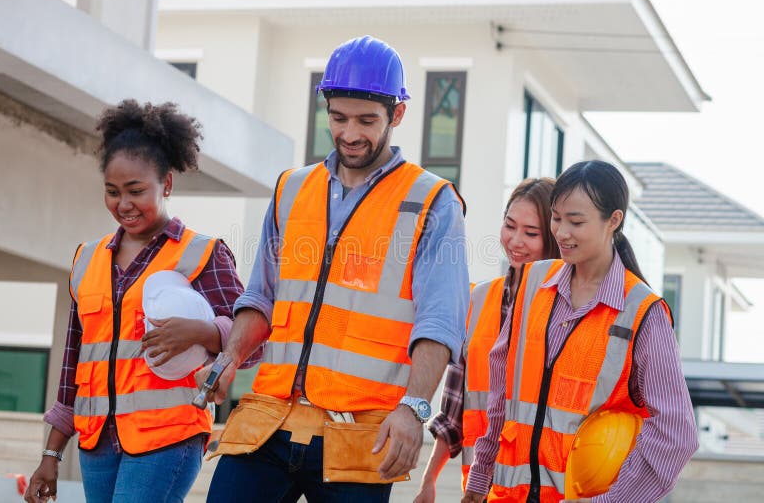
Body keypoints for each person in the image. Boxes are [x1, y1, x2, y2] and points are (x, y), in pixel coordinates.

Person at [202, 35, 469, 502]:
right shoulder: (292, 188)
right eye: (339, 118)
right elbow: (261, 297)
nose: (349, 133)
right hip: (269, 420)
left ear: (397, 115)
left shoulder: (431, 202)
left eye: (366, 121)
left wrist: (414, 409)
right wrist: (230, 358)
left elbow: (440, 322)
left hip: (360, 434)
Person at [25, 100, 257, 503]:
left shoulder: (202, 254)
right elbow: (73, 364)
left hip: (169, 437)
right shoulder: (86, 260)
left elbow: (251, 342)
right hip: (97, 443)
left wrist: (203, 332)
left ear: (166, 184)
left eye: (136, 191)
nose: (123, 204)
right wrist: (51, 454)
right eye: (112, 192)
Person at [462, 160, 699, 503]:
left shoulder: (643, 313)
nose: (561, 233)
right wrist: (479, 478)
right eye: (556, 218)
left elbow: (676, 434)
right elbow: (500, 395)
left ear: (613, 220)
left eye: (576, 222)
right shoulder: (532, 283)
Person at [414, 178, 559, 502]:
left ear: (553, 237)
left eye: (531, 233)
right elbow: (453, 409)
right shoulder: (478, 300)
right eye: (510, 226)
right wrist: (428, 480)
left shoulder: (565, 308)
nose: (515, 241)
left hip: (543, 489)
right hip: (482, 490)